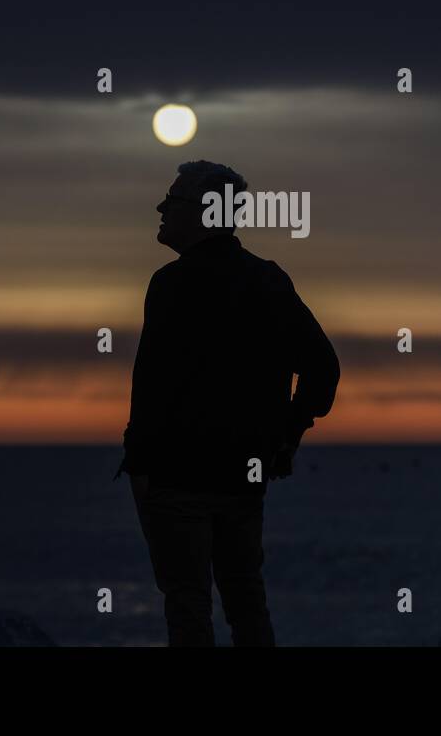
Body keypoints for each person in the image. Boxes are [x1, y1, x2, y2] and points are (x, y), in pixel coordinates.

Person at [114, 160, 340, 646]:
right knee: (245, 599)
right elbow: (323, 368)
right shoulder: (268, 281)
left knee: (188, 603)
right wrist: (288, 435)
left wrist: (140, 468)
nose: (160, 208)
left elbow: (149, 391)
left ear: (201, 212)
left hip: (176, 477)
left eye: (171, 200)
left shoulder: (170, 284)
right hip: (243, 476)